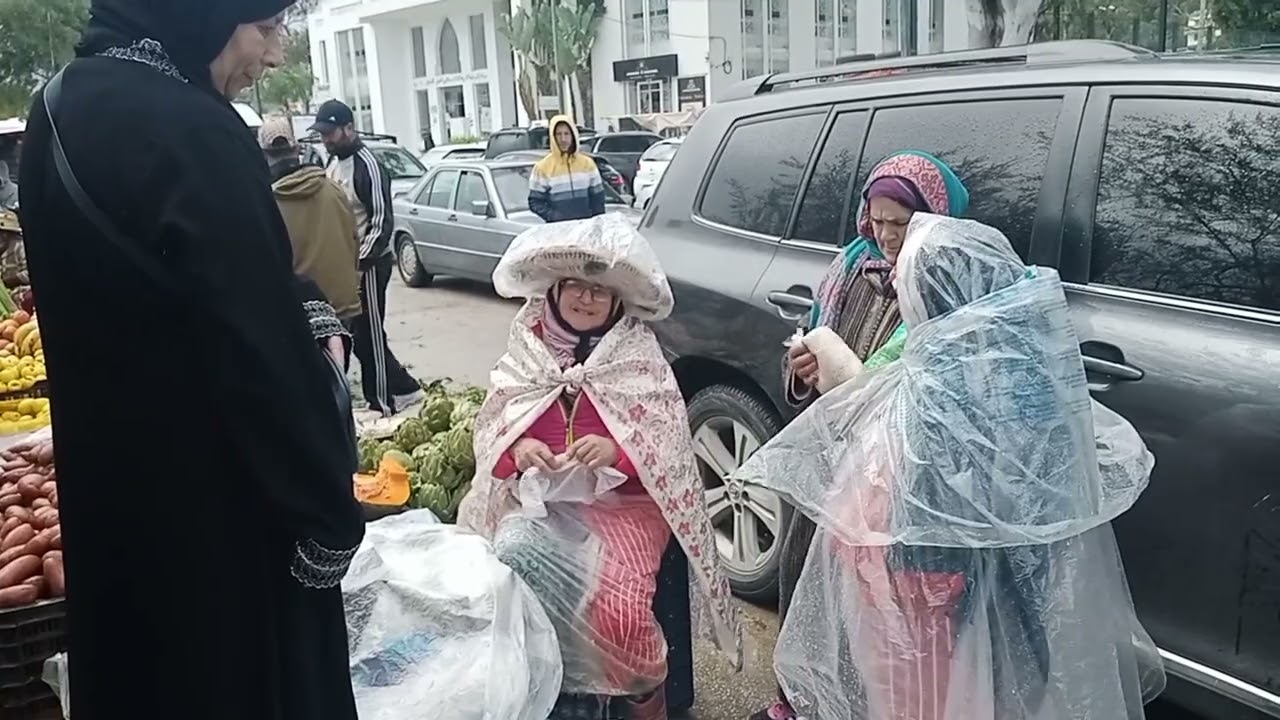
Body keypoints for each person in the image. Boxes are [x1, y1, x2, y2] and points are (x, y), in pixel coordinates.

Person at [18, 2, 365, 718]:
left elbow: (159, 295)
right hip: (221, 541)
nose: (272, 56)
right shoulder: (194, 128)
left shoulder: (52, 109)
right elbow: (260, 354)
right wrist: (329, 516)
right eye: (265, 28)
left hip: (116, 521)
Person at [737, 214, 1165, 720]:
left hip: (927, 617)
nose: (894, 280)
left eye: (908, 280)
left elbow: (913, 525)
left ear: (940, 300)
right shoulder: (1014, 375)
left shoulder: (942, 400)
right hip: (986, 616)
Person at [457, 214, 741, 720]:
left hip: (625, 506)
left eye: (599, 291)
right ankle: (554, 692)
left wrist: (618, 453)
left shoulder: (637, 357)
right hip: (541, 503)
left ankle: (642, 697)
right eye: (575, 287)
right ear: (554, 290)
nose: (586, 299)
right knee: (514, 564)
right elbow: (495, 429)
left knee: (620, 610)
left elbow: (667, 446)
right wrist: (519, 451)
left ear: (616, 301)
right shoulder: (527, 349)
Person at [755, 150, 969, 720]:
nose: (887, 235)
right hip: (831, 454)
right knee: (805, 579)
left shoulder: (945, 283)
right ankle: (798, 699)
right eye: (878, 220)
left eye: (901, 224)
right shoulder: (849, 268)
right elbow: (813, 345)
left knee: (876, 602)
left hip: (893, 471)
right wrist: (803, 370)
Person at [312, 98, 422, 416]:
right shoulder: (331, 165)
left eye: (330, 133)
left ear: (349, 128)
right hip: (345, 269)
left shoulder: (368, 165)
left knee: (370, 333)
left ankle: (383, 403)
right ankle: (406, 387)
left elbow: (380, 222)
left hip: (370, 265)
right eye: (322, 133)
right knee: (356, 336)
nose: (326, 139)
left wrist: (359, 264)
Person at [260, 115, 361, 331]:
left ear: (264, 155)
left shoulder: (266, 204)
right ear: (297, 149)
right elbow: (354, 242)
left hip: (297, 310)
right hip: (341, 304)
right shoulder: (334, 190)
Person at [528, 114, 605, 223]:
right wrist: (554, 216)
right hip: (559, 231)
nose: (563, 139)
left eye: (566, 134)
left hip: (585, 229)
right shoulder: (542, 167)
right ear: (552, 137)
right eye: (558, 134)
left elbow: (598, 199)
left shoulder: (587, 164)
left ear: (573, 135)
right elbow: (535, 202)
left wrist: (596, 223)